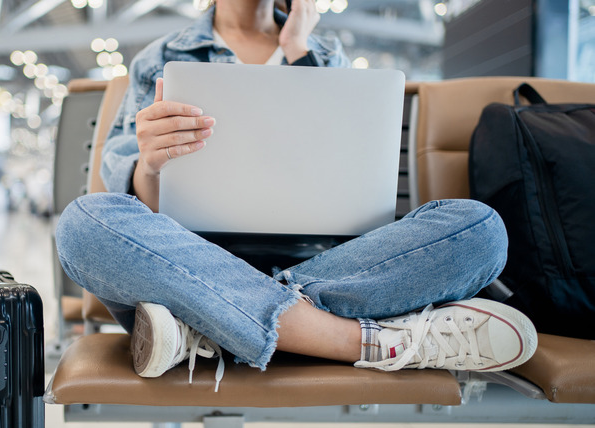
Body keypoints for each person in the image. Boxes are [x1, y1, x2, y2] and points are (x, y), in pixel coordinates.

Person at [55, 0, 538, 391]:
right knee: (83, 223)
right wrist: (151, 162)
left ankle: (205, 331)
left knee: (480, 230)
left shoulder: (324, 54)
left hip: (313, 273)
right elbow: (141, 206)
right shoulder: (162, 57)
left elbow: (356, 198)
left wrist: (298, 50)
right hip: (183, 266)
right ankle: (354, 340)